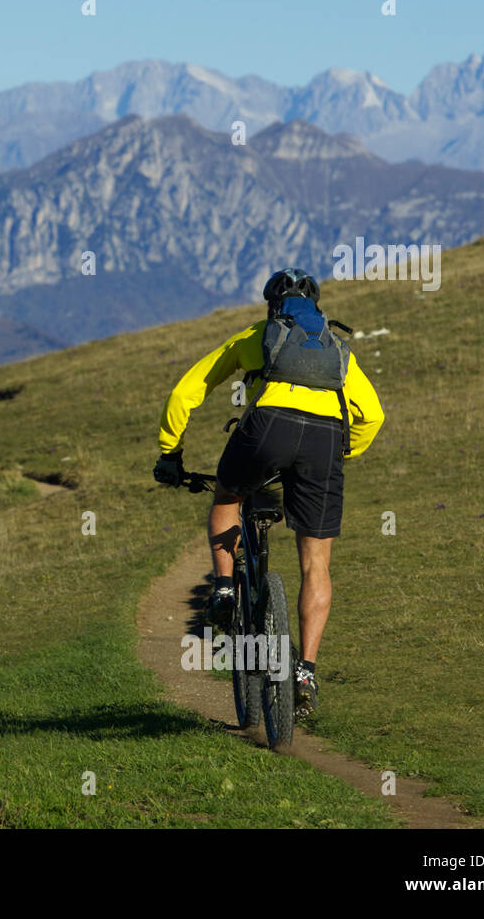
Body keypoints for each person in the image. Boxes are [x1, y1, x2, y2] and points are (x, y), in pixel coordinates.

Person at [153, 268, 384, 718]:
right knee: (316, 562)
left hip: (267, 428)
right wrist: (342, 455)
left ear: (271, 306)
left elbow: (188, 390)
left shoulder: (257, 336)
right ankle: (307, 672)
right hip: (324, 442)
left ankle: (222, 590)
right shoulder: (336, 347)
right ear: (315, 308)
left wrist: (170, 452)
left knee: (227, 497)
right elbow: (372, 415)